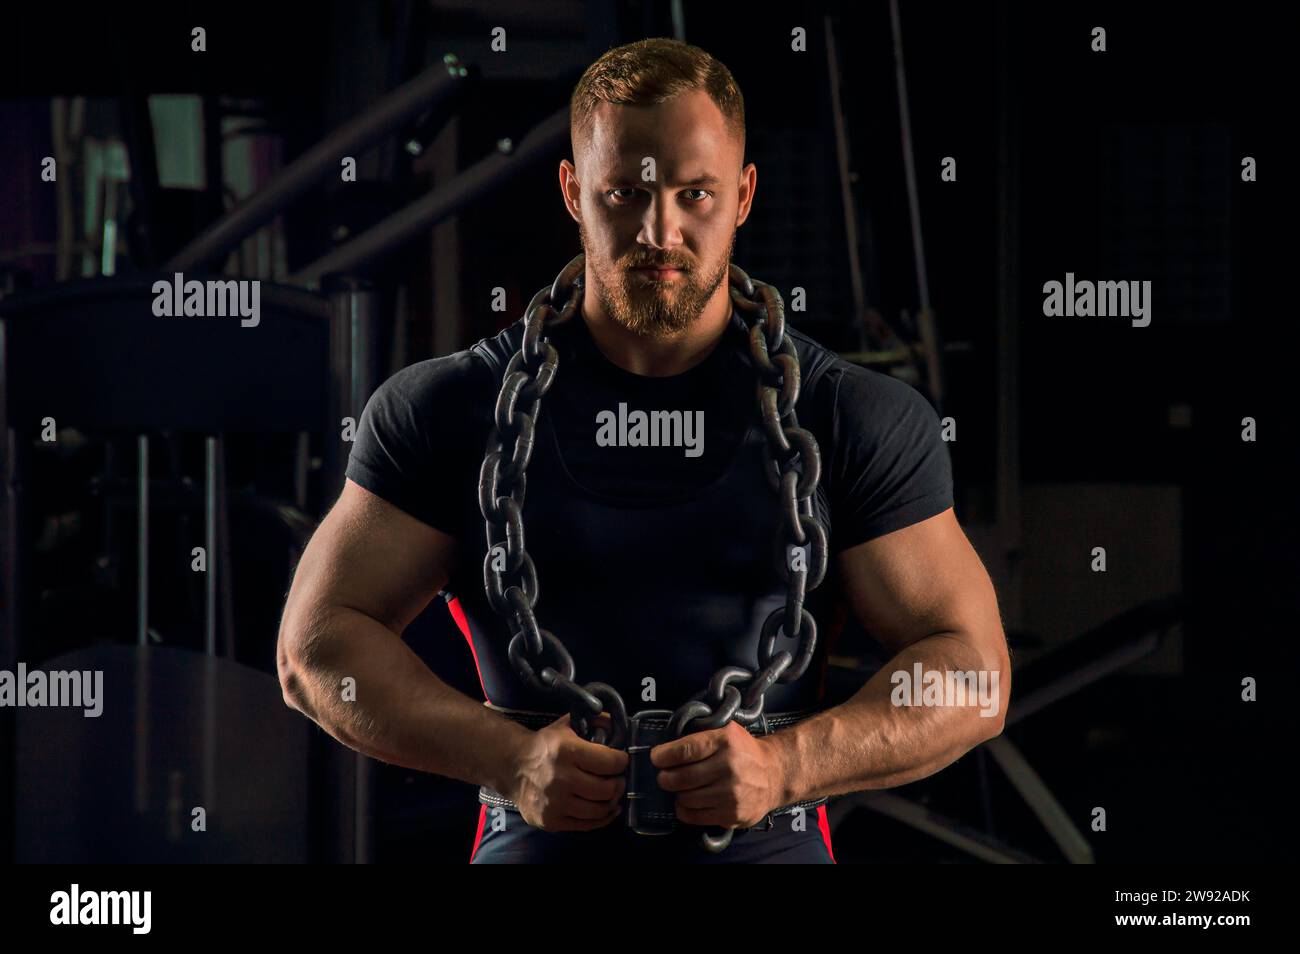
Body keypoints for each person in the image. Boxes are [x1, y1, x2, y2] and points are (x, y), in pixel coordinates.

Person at [277, 37, 1010, 864]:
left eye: (695, 194)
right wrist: (508, 759)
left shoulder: (853, 418)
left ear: (742, 195)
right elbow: (316, 649)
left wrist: (787, 764)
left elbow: (972, 673)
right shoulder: (446, 411)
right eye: (625, 192)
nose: (659, 230)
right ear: (573, 191)